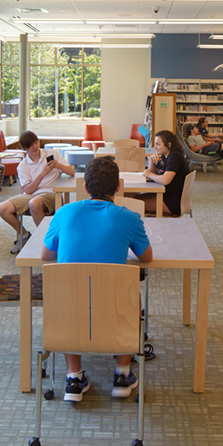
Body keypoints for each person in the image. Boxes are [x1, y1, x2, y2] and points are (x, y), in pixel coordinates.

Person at [41, 157, 152, 402]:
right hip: (114, 310)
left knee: (70, 299)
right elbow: (146, 258)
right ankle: (122, 374)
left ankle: (73, 377)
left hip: (71, 311)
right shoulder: (130, 218)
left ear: (86, 188)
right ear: (118, 187)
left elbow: (46, 254)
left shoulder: (64, 212)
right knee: (130, 300)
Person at [0, 131, 75, 253]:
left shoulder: (51, 153)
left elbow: (72, 172)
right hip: (31, 194)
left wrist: (59, 165)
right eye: (31, 145)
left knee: (34, 203)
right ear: (25, 148)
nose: (35, 147)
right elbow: (27, 190)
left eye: (36, 142)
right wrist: (42, 173)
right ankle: (24, 235)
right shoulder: (23, 165)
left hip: (51, 193)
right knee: (2, 208)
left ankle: (47, 241)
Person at [140, 130, 190, 216]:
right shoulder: (165, 155)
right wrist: (152, 161)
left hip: (173, 202)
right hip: (166, 195)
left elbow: (165, 180)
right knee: (134, 199)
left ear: (169, 145)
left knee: (134, 202)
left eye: (158, 144)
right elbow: (154, 173)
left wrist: (149, 174)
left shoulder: (175, 156)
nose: (155, 147)